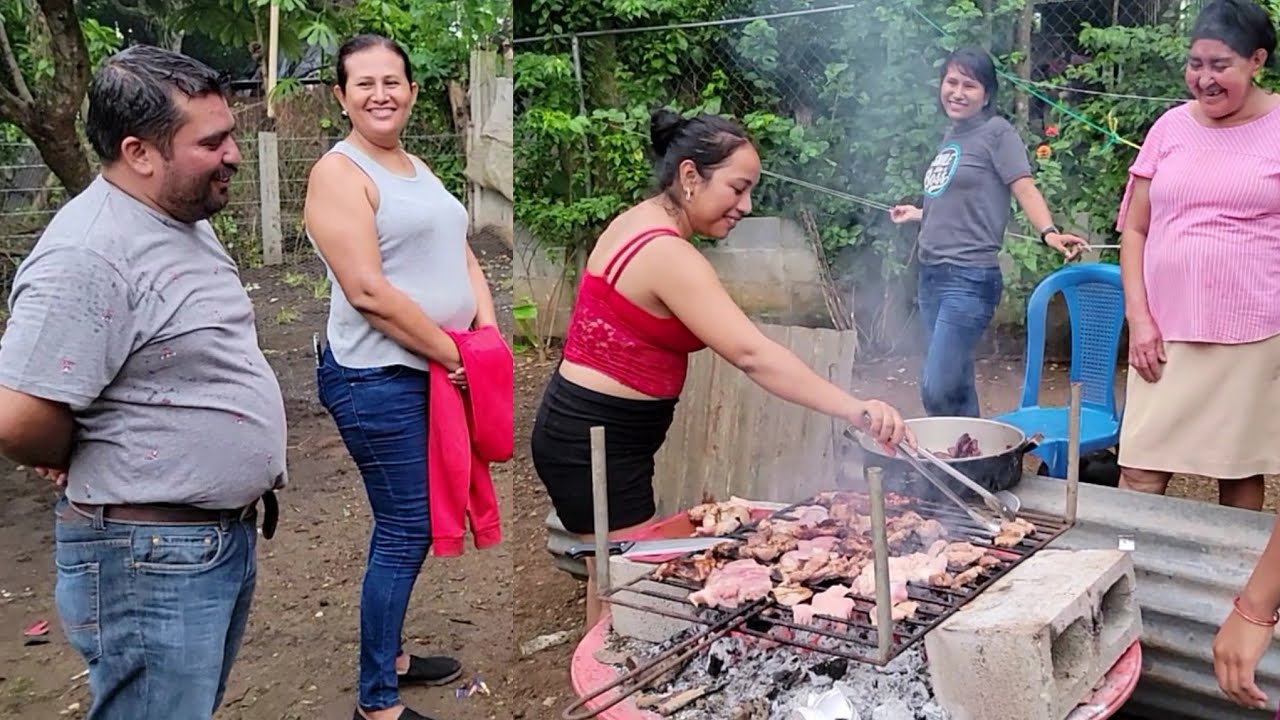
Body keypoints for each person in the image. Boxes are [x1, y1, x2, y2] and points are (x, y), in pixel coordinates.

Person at [530, 108, 914, 629]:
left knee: (611, 576)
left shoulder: (641, 221)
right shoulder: (665, 252)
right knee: (630, 590)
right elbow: (752, 354)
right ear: (690, 175)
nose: (745, 206)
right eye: (738, 188)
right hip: (595, 445)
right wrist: (855, 409)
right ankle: (604, 671)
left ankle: (596, 663)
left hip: (592, 436)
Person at [0, 45, 286, 720]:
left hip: (197, 546)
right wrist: (73, 450)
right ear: (139, 153)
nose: (232, 155)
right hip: (149, 557)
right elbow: (17, 418)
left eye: (229, 136)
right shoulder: (88, 254)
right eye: (210, 142)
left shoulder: (176, 216)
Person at [303, 33, 499, 720]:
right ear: (341, 96)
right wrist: (453, 356)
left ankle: (390, 658)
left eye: (393, 81)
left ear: (413, 92)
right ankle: (376, 702)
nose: (380, 94)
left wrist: (486, 333)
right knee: (406, 527)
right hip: (376, 377)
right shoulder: (339, 174)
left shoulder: (416, 166)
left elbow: (461, 252)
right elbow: (367, 292)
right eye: (364, 83)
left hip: (432, 371)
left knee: (410, 522)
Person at [1115, 0, 1280, 512]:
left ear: (1257, 60)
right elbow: (1135, 229)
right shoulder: (1170, 127)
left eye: (1220, 65)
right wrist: (1139, 318)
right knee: (1139, 469)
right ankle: (1127, 564)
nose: (1204, 79)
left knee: (1238, 470)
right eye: (1195, 64)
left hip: (1253, 333)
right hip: (1165, 332)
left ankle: (1236, 567)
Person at [889, 47, 1087, 418]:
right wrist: (919, 213)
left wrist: (1049, 232)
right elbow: (961, 201)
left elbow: (1023, 186)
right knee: (956, 382)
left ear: (987, 95)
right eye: (951, 82)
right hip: (931, 276)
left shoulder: (997, 133)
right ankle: (970, 450)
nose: (957, 92)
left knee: (937, 386)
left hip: (968, 279)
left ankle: (957, 448)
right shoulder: (953, 136)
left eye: (969, 85)